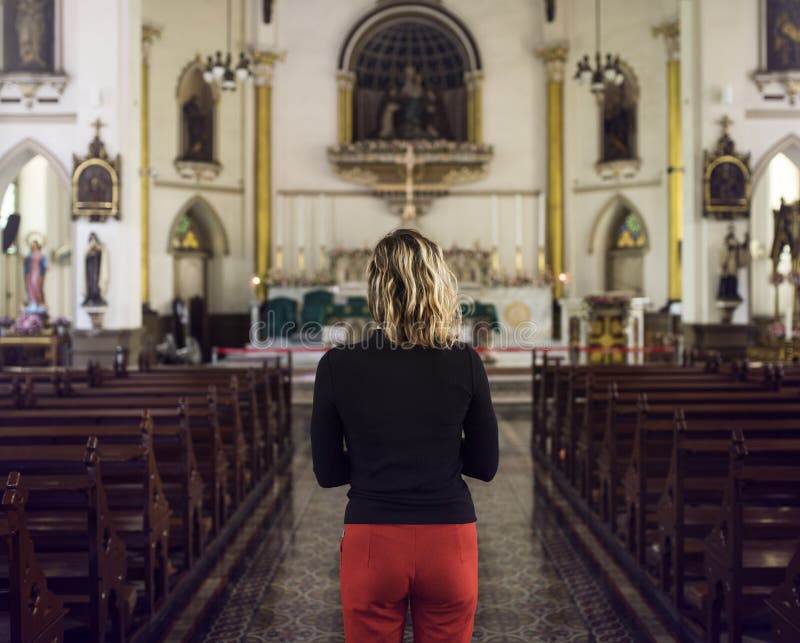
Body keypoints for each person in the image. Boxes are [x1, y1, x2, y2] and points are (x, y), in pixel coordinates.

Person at [310, 228, 498, 642]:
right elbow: (486, 466)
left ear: (375, 289)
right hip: (449, 541)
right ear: (438, 283)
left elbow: (326, 472)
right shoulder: (464, 362)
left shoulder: (337, 366)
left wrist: (373, 456)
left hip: (372, 538)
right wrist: (438, 453)